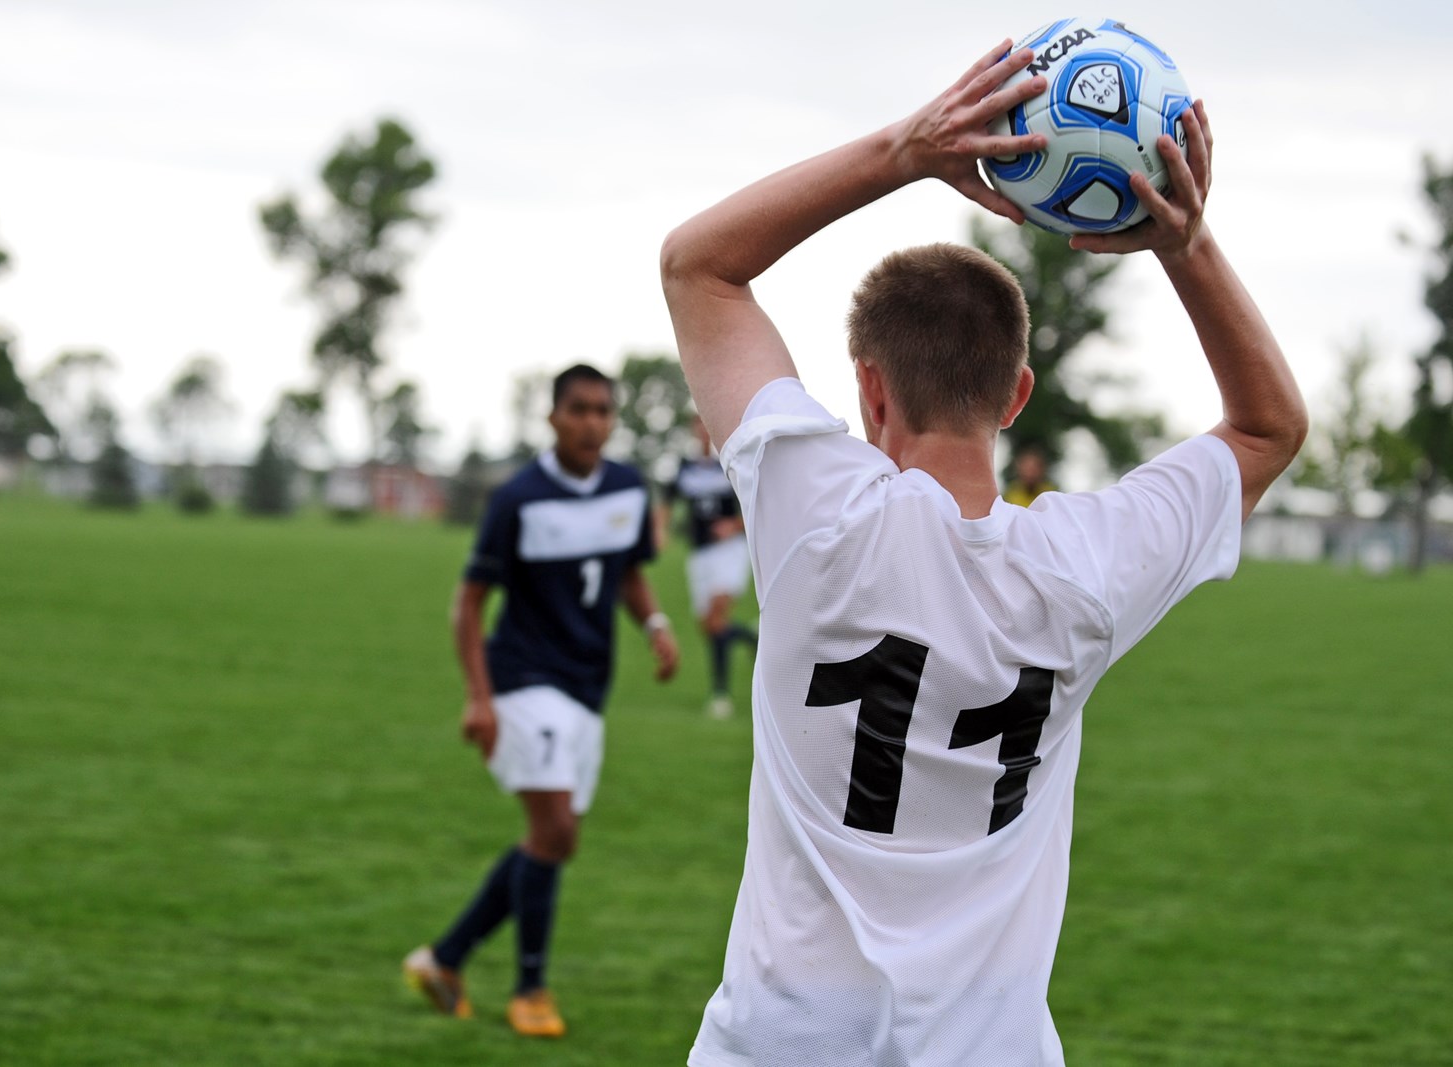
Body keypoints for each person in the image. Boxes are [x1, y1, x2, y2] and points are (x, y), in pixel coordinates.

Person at [659, 40, 1305, 1067]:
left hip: (777, 1043)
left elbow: (698, 263)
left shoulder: (811, 505)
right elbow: (1267, 429)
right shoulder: (1084, 565)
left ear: (867, 391)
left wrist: (907, 149)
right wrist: (1183, 244)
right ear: (1014, 396)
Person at [403, 363, 680, 1038]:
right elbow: (468, 605)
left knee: (555, 838)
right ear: (553, 417)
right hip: (524, 679)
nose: (592, 422)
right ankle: (529, 990)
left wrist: (656, 624)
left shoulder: (625, 488)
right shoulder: (517, 499)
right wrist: (478, 697)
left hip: (589, 686)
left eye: (602, 411)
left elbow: (626, 573)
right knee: (555, 830)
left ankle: (443, 959)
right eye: (578, 409)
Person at [658, 413, 757, 719]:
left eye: (706, 424)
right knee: (710, 627)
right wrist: (659, 531)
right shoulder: (685, 468)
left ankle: (720, 694)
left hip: (729, 551)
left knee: (715, 619)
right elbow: (666, 501)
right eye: (697, 426)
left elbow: (756, 502)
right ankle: (753, 638)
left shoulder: (730, 463)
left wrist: (734, 525)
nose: (702, 431)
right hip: (699, 554)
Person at [1003, 440, 1056, 507]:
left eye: (1033, 470)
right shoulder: (1010, 495)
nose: (1030, 474)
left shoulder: (1051, 495)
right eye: (1027, 469)